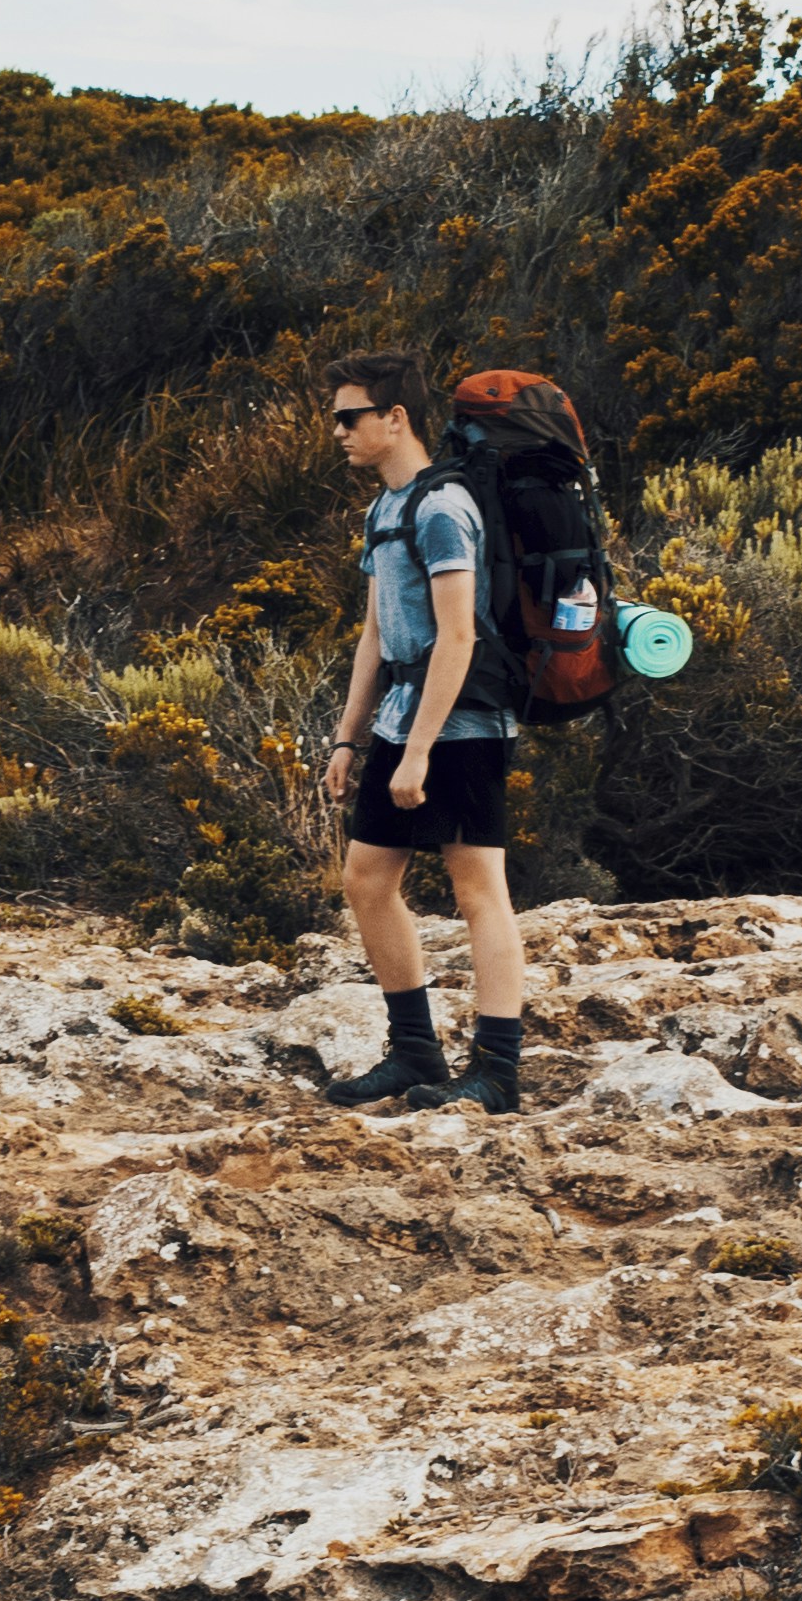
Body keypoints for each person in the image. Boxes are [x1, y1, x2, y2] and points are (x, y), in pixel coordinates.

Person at [315, 352, 528, 1111]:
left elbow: (459, 636)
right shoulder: (383, 511)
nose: (338, 430)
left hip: (462, 726)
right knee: (367, 881)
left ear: (394, 417)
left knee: (478, 891)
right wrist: (349, 738)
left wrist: (419, 751)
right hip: (405, 722)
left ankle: (497, 1072)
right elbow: (375, 632)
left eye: (350, 417)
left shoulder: (444, 509)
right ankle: (415, 1054)